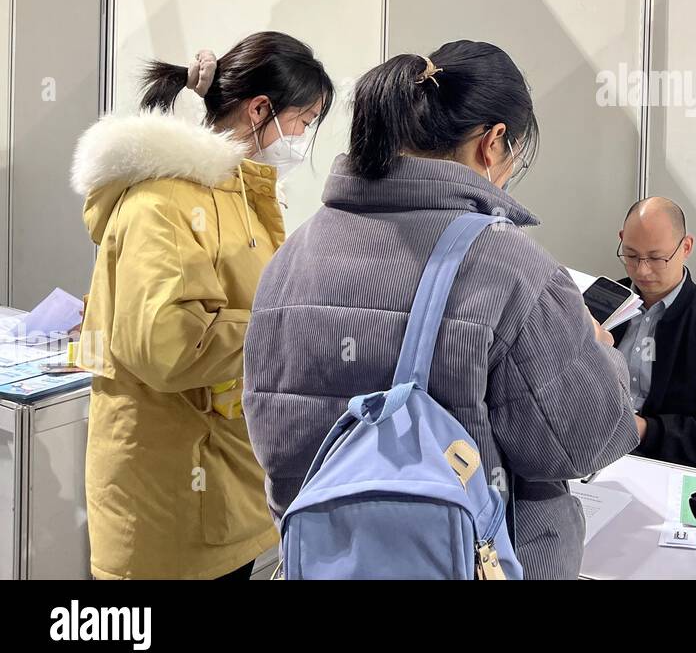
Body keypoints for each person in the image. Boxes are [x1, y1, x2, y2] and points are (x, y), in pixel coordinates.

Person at [243, 41, 640, 579]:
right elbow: (588, 439)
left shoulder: (293, 255)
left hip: (323, 563)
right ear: (493, 142)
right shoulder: (508, 264)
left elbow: (276, 438)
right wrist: (598, 350)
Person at [71, 32, 334, 580]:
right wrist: (291, 325)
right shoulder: (163, 199)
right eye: (305, 122)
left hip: (222, 487)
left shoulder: (235, 193)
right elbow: (166, 344)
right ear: (261, 109)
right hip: (169, 502)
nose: (304, 140)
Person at [614, 197, 696, 469]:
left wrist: (645, 429)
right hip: (587, 452)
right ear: (622, 239)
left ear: (686, 247)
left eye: (657, 258)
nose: (642, 270)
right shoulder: (601, 302)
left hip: (664, 466)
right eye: (632, 255)